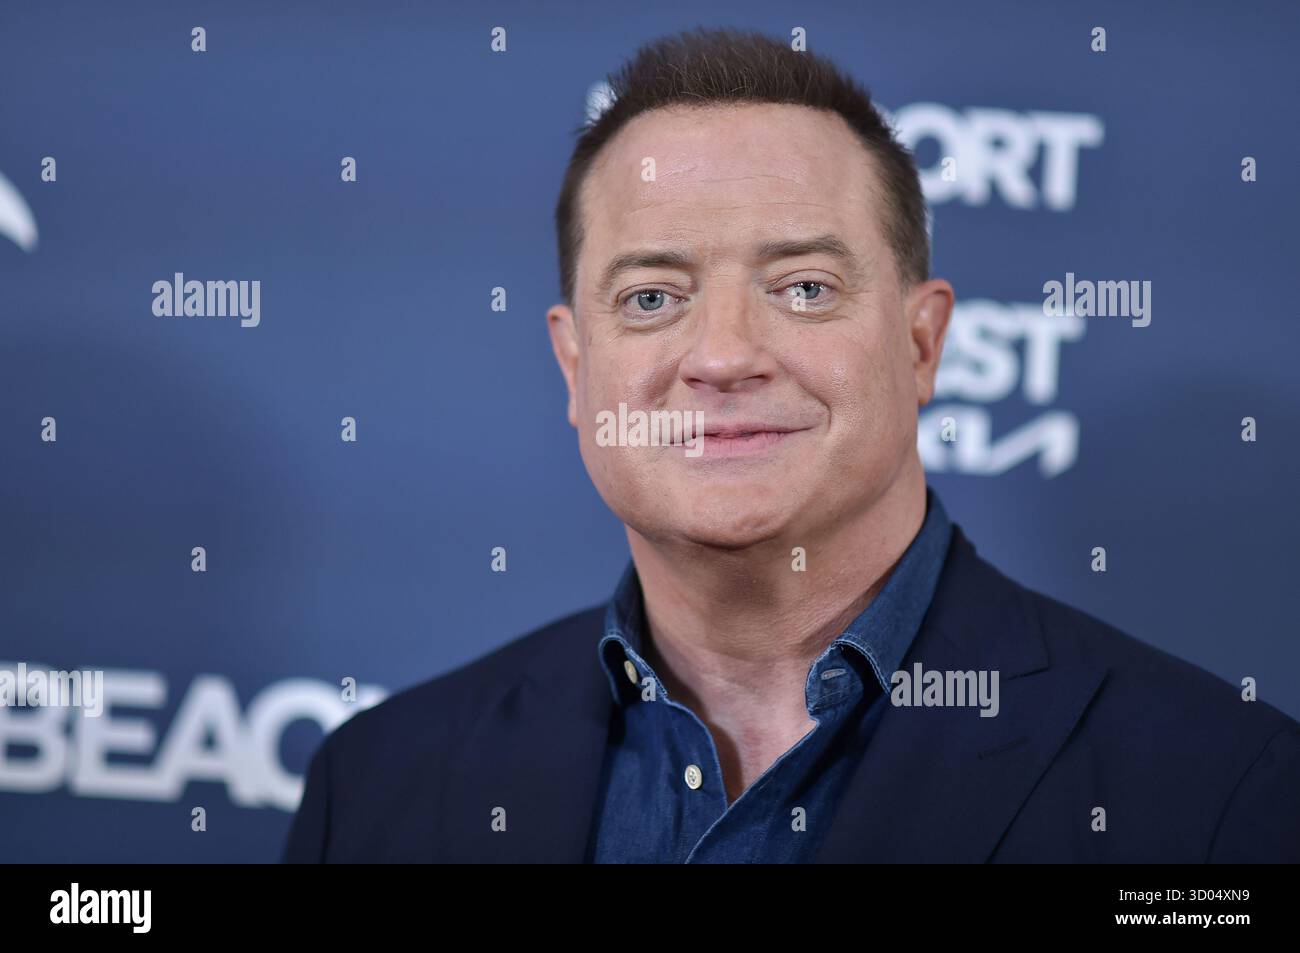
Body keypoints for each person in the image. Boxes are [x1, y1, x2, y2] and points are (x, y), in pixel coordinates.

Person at [283, 27, 1300, 863]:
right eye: (651, 297)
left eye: (803, 287)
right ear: (573, 365)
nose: (721, 356)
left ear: (921, 343)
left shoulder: (1220, 794)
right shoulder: (378, 784)